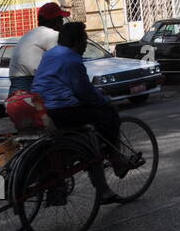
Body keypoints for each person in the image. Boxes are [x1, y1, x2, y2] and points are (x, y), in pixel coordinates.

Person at [32, 22, 127, 201]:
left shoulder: (51, 54)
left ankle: (103, 154)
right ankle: (114, 156)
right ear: (76, 42)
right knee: (109, 113)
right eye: (84, 40)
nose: (85, 45)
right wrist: (104, 100)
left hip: (42, 107)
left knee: (92, 122)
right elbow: (84, 92)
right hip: (62, 109)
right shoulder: (72, 59)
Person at [9, 1, 69, 95]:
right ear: (55, 21)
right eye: (61, 19)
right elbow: (62, 62)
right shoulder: (52, 35)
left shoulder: (30, 34)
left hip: (16, 86)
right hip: (31, 84)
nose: (62, 23)